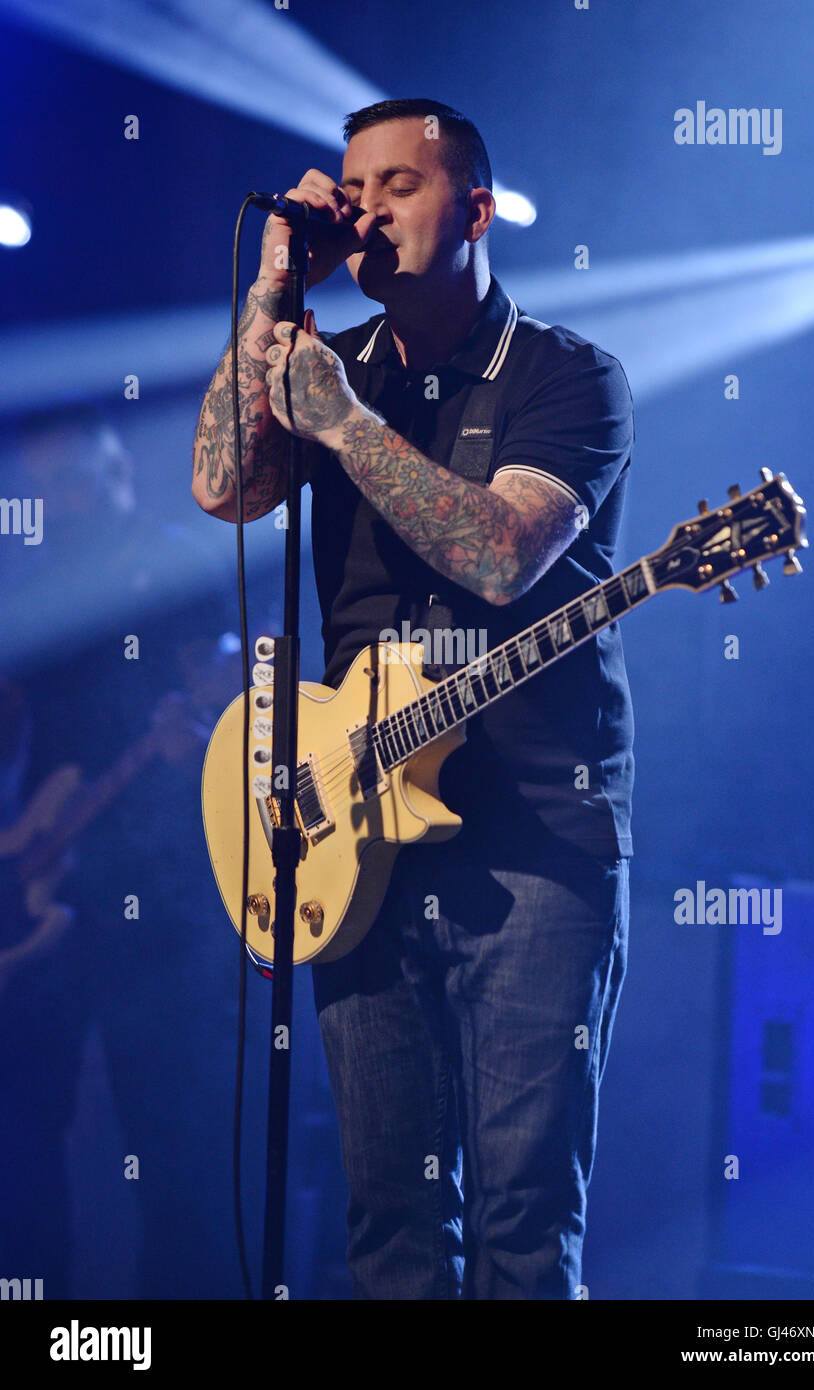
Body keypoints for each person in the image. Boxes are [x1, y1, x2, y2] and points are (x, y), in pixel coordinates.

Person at [192, 98, 634, 1300]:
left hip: (531, 842)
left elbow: (497, 555)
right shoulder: (328, 357)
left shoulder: (566, 376)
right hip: (351, 831)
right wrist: (273, 291)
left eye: (398, 186)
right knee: (390, 1218)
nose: (365, 209)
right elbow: (223, 487)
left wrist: (343, 419)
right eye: (355, 188)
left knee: (520, 1221)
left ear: (476, 212)